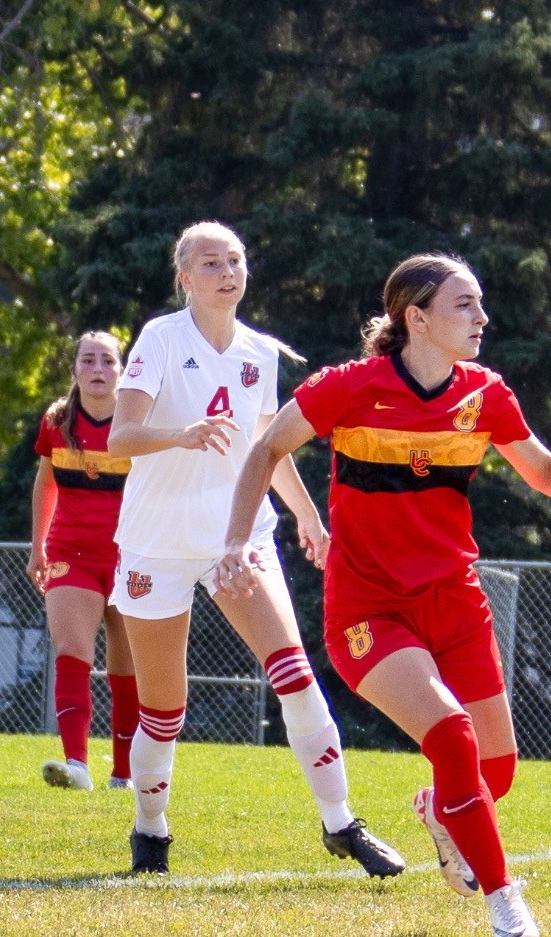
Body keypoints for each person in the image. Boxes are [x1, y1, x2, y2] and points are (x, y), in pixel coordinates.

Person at [217, 252, 551, 937]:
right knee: (453, 735)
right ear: (416, 318)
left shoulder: (485, 393)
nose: (483, 317)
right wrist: (237, 542)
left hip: (455, 601)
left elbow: (543, 470)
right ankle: (504, 902)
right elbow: (266, 447)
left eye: (481, 303)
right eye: (466, 305)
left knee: (496, 771)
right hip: (368, 611)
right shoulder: (348, 387)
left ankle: (439, 809)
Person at [109, 221, 404, 880]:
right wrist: (180, 434)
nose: (227, 271)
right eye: (211, 262)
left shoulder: (260, 352)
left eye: (236, 259)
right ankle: (150, 830)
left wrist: (307, 517)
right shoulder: (160, 338)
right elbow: (119, 438)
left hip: (239, 539)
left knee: (295, 672)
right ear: (184, 276)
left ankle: (341, 823)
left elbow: (265, 449)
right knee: (164, 707)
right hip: (156, 543)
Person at [27, 331, 138, 791]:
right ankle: (77, 766)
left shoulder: (138, 422)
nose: (97, 369)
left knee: (128, 668)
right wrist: (38, 547)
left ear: (122, 370)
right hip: (71, 554)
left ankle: (124, 775)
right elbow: (46, 484)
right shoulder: (56, 421)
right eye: (87, 360)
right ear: (74, 369)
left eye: (107, 361)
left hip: (131, 555)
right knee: (72, 650)